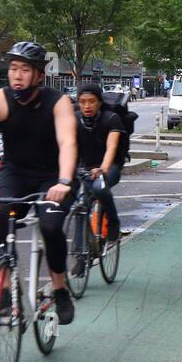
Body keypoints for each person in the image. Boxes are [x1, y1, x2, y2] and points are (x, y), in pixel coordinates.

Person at [0, 41, 78, 324]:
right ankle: (7, 287)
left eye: (25, 69)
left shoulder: (57, 102)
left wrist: (64, 181)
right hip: (15, 172)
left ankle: (60, 288)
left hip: (52, 176)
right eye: (13, 69)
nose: (17, 75)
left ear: (38, 76)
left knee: (50, 225)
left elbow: (67, 142)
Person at [75, 81, 122, 243]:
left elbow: (112, 147)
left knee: (99, 188)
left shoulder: (111, 119)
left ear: (99, 102)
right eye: (82, 102)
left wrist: (103, 168)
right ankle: (80, 255)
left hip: (110, 167)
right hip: (83, 168)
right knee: (78, 206)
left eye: (91, 101)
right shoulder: (75, 120)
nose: (87, 106)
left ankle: (113, 222)